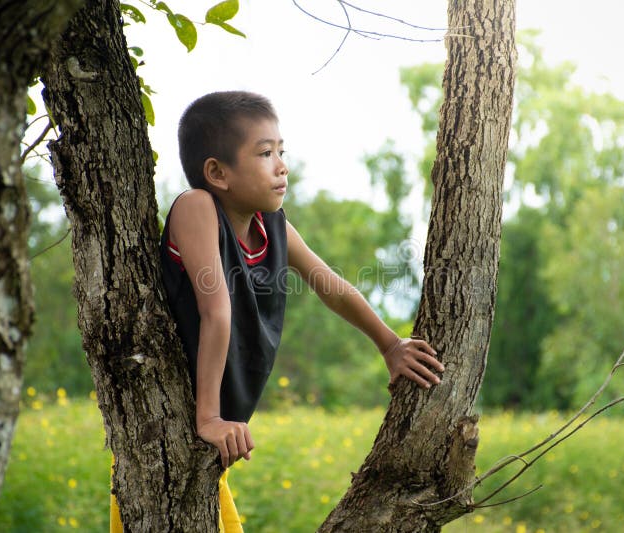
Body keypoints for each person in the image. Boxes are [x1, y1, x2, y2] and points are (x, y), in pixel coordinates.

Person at [112, 91, 443, 532]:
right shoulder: (197, 207)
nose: (282, 166)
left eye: (281, 152)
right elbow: (217, 311)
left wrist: (390, 345)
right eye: (265, 153)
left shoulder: (275, 226)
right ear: (217, 172)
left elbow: (333, 287)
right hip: (171, 432)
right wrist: (209, 417)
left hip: (207, 448)